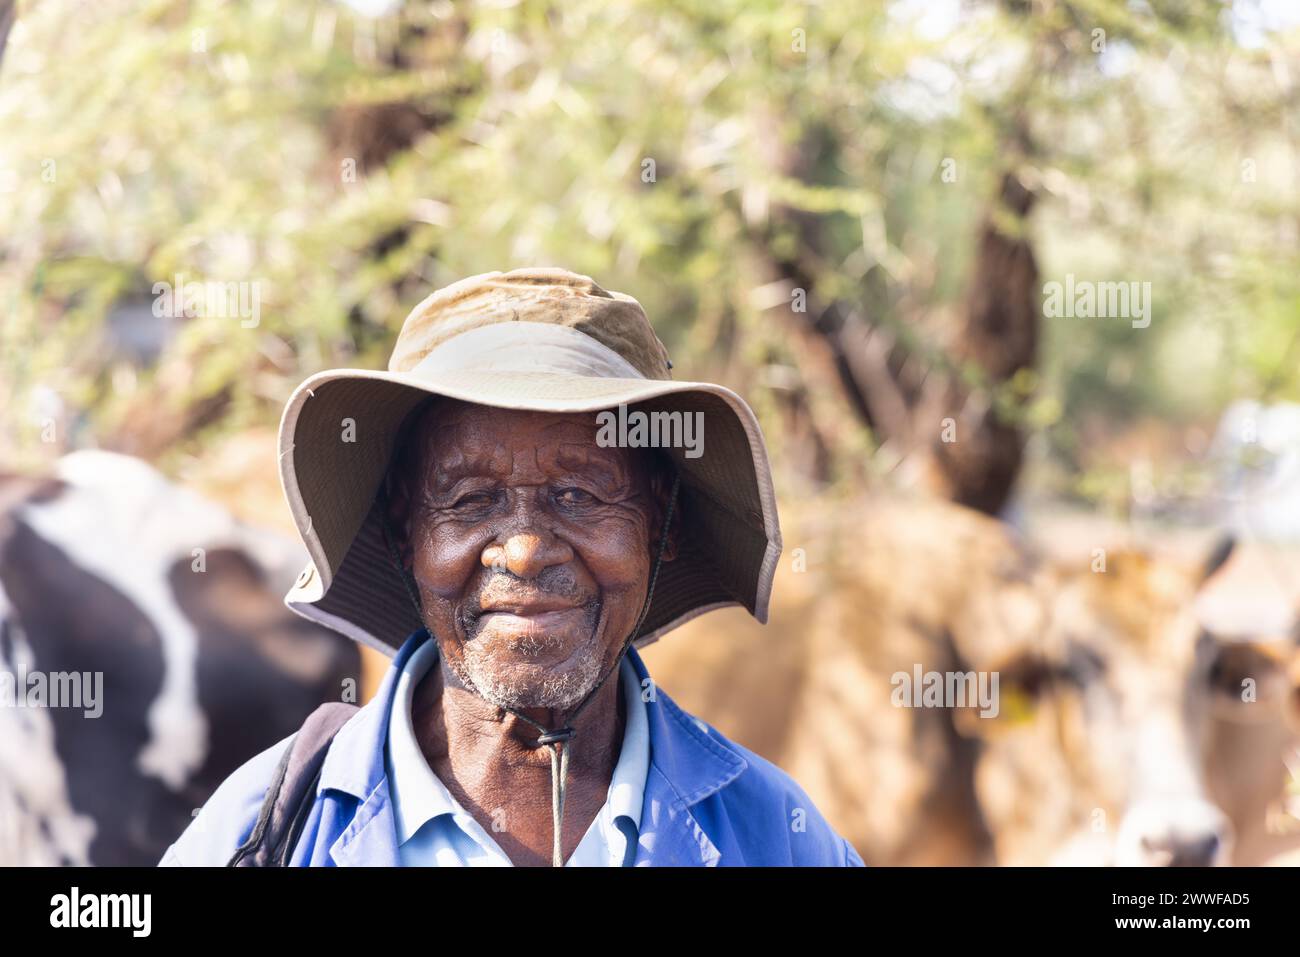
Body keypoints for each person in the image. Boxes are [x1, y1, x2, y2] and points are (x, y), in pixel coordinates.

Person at [160, 267, 863, 867]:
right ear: (406, 530)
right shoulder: (265, 834)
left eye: (579, 494)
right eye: (471, 500)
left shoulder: (771, 836)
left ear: (662, 522)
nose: (524, 550)